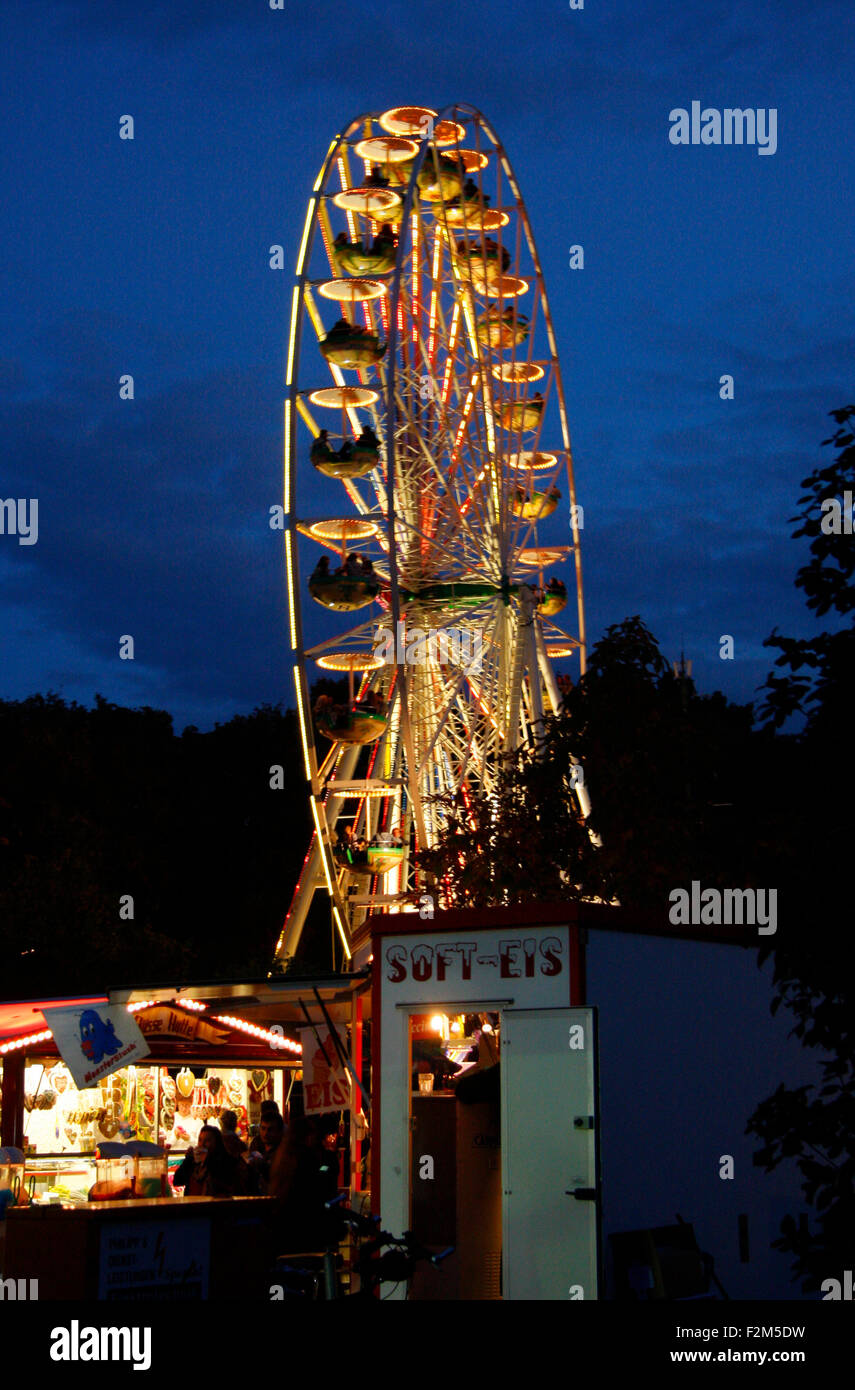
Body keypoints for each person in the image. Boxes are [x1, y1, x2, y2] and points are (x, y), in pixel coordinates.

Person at [173, 1124, 240, 1197]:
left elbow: (221, 1184)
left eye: (207, 1141)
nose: (202, 1144)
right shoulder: (195, 1163)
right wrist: (188, 1159)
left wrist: (207, 1160)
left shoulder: (224, 1162)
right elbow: (177, 1181)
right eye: (200, 1140)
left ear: (216, 1143)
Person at [247, 1103, 288, 1195]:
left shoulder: (285, 1151)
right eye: (263, 1128)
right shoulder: (256, 1143)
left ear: (279, 1131)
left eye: (270, 1129)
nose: (265, 1133)